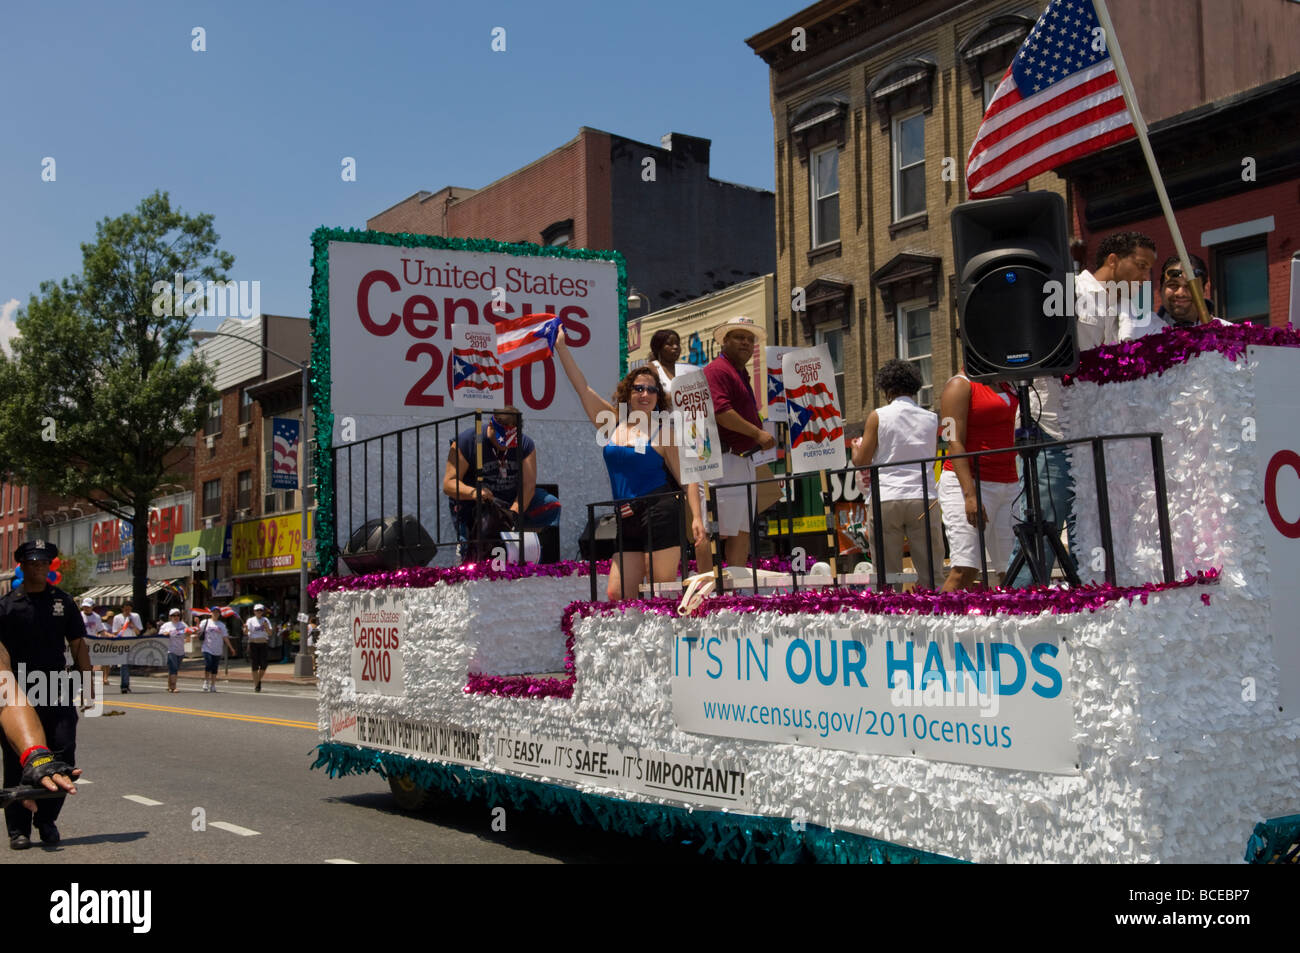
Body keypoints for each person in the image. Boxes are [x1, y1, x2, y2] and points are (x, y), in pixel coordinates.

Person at [554, 329, 705, 601]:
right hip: (625, 515)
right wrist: (562, 348)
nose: (645, 394)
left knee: (661, 591)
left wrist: (696, 517)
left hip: (660, 511)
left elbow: (688, 478)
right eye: (639, 388)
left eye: (651, 390)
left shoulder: (664, 431)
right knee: (618, 593)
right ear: (628, 392)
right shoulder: (611, 422)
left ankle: (667, 642)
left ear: (659, 396)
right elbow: (581, 387)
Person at [0, 540, 93, 849]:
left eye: (45, 562)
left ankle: (46, 819)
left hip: (55, 686)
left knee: (63, 755)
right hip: (18, 691)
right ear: (22, 566)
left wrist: (88, 681)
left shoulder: (63, 602)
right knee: (17, 761)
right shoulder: (7, 605)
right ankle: (18, 829)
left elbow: (78, 642)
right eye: (34, 562)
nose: (40, 566)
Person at [851, 360, 945, 590]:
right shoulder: (931, 418)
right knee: (930, 570)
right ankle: (933, 612)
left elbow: (862, 461)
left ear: (887, 389)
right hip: (922, 495)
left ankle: (889, 613)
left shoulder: (878, 416)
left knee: (886, 571)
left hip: (887, 496)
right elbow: (930, 456)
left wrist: (855, 447)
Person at [700, 316, 777, 572]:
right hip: (724, 461)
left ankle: (735, 590)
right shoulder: (717, 370)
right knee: (718, 531)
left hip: (742, 460)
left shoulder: (739, 372)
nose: (745, 343)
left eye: (749, 339)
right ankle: (710, 587)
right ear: (725, 341)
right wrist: (757, 433)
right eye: (739, 337)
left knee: (742, 530)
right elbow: (722, 412)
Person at [442, 406, 562, 560]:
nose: (505, 445)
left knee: (550, 504)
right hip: (477, 505)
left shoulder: (525, 444)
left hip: (509, 501)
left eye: (510, 441)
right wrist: (475, 493)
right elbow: (449, 484)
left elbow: (528, 485)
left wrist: (513, 514)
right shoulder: (467, 441)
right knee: (473, 559)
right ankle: (469, 547)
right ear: (491, 425)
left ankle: (533, 549)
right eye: (502, 440)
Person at [938, 371, 1018, 591]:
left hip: (1009, 483)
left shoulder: (1007, 381)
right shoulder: (958, 385)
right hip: (968, 483)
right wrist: (970, 494)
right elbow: (952, 441)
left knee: (1014, 570)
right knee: (965, 569)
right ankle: (937, 622)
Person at [1078, 231, 1157, 348]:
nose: (1146, 278)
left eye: (1149, 270)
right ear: (1113, 261)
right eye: (1141, 266)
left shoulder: (1135, 315)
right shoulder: (1072, 291)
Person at [196, 610, 235, 693]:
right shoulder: (205, 622)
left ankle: (213, 685)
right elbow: (199, 631)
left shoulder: (221, 625)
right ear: (211, 613)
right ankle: (206, 681)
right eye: (214, 612)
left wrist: (231, 648)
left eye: (217, 612)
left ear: (219, 614)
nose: (215, 614)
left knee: (214, 667)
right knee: (208, 664)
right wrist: (197, 623)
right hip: (207, 647)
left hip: (217, 648)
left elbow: (225, 637)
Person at [111, 600, 142, 693]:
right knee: (123, 664)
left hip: (132, 643)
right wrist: (123, 627)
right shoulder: (117, 618)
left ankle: (126, 684)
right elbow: (115, 632)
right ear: (122, 609)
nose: (127, 611)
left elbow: (138, 632)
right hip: (122, 643)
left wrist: (132, 625)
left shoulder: (135, 616)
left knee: (128, 665)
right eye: (125, 609)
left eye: (129, 609)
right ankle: (124, 685)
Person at [244, 603, 272, 693]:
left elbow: (270, 633)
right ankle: (257, 685)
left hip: (263, 643)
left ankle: (258, 681)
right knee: (254, 665)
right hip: (253, 643)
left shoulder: (265, 620)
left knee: (264, 665)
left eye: (260, 610)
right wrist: (245, 628)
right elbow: (246, 632)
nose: (259, 612)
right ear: (254, 611)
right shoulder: (250, 620)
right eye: (257, 610)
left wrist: (266, 627)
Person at [159, 607, 187, 693]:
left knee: (173, 669)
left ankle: (169, 685)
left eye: (178, 615)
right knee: (173, 668)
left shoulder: (183, 625)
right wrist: (166, 633)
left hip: (180, 650)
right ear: (170, 616)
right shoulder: (166, 625)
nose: (176, 617)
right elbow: (160, 635)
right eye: (174, 615)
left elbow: (189, 633)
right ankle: (174, 687)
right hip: (170, 650)